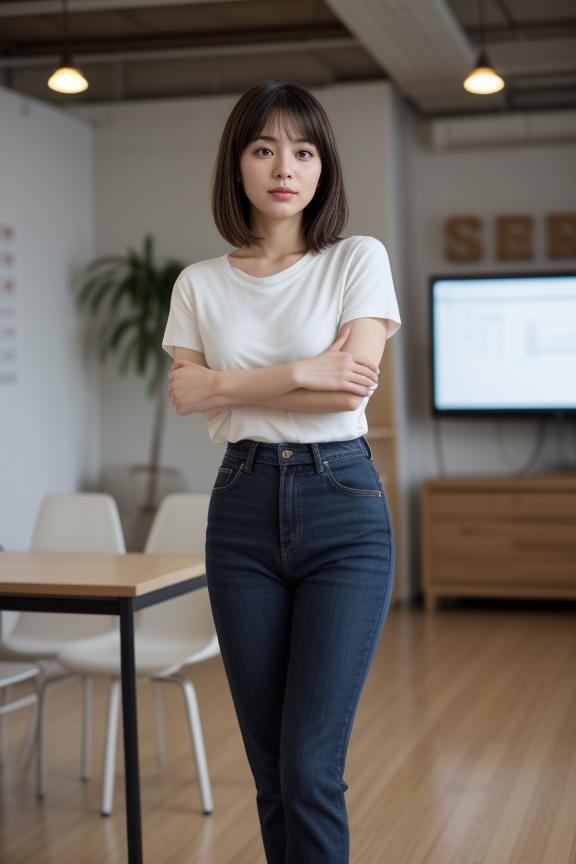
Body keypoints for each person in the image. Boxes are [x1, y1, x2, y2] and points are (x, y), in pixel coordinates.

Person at [162, 80, 401, 864]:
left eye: (303, 150)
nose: (284, 167)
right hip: (241, 511)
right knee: (269, 771)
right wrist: (305, 373)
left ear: (324, 167)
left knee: (308, 767)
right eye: (264, 148)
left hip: (342, 507)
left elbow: (350, 382)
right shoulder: (199, 283)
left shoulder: (357, 259)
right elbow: (190, 394)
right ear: (237, 165)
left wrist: (225, 385)